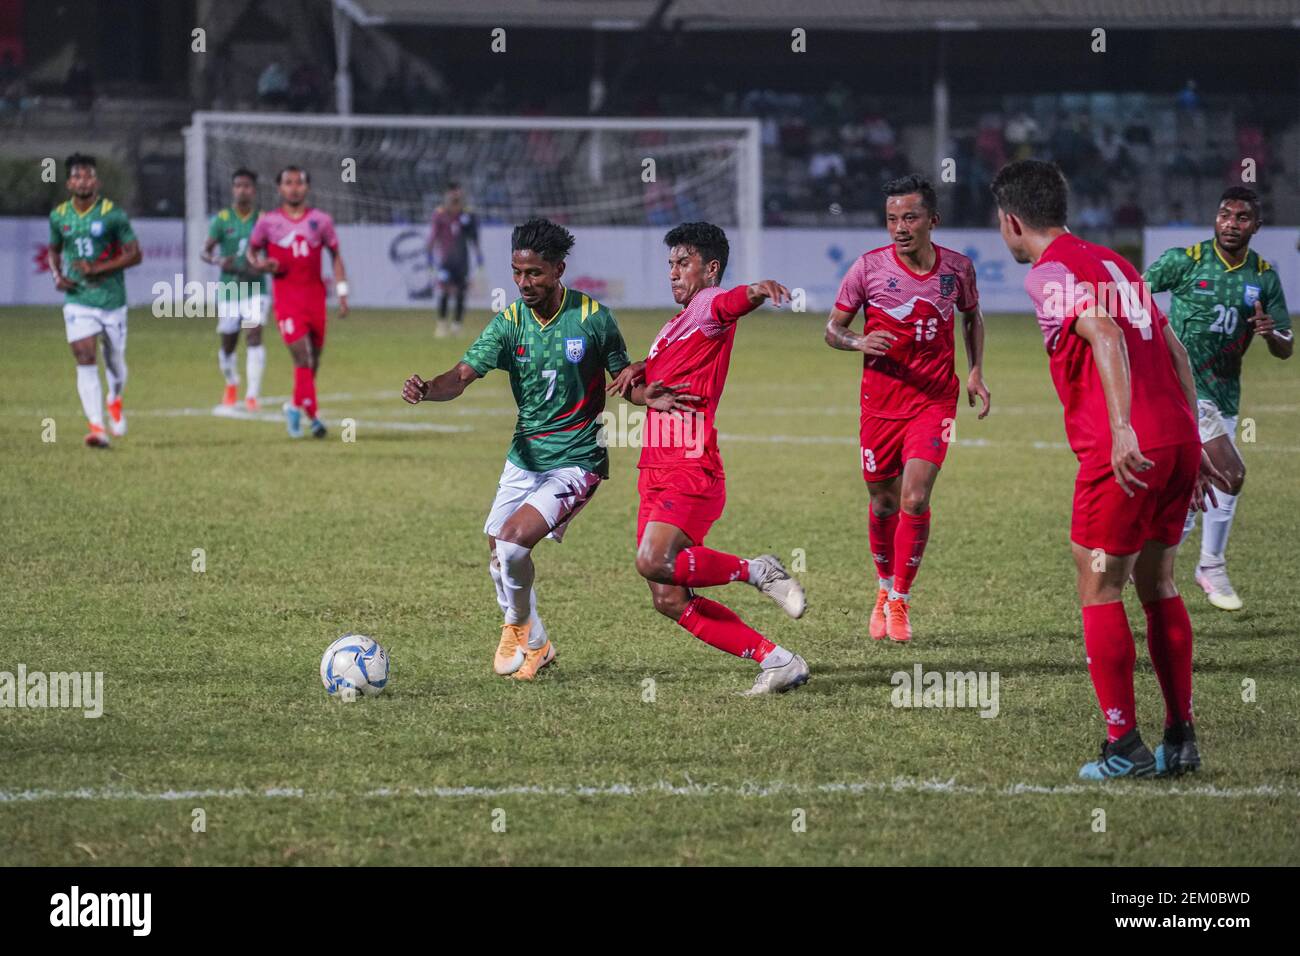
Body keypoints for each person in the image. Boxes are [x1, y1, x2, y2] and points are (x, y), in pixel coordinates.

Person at [991, 159, 1221, 779]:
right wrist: (1192, 442)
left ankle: (1124, 746)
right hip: (1173, 440)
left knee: (1099, 585)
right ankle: (1181, 738)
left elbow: (1107, 337)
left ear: (1013, 221)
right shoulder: (1115, 262)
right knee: (1160, 585)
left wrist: (1122, 429)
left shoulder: (1050, 273)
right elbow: (1174, 350)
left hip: (1125, 449)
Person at [401, 219, 639, 680]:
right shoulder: (509, 323)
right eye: (517, 273)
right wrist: (429, 387)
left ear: (558, 269)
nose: (524, 283)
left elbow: (626, 382)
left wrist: (654, 394)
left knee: (511, 545)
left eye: (534, 273)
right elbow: (462, 376)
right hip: (524, 457)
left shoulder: (592, 318)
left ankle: (515, 625)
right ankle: (538, 645)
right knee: (497, 552)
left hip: (577, 459)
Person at [611, 222, 810, 696]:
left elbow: (730, 303)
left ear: (711, 268)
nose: (674, 273)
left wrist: (758, 290)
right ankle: (778, 661)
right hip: (654, 469)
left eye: (684, 263)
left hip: (688, 465)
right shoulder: (674, 325)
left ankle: (756, 570)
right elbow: (648, 390)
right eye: (670, 265)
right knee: (666, 594)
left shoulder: (706, 306)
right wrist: (640, 378)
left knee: (653, 559)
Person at [824, 175, 989, 643]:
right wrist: (857, 340)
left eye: (910, 217)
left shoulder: (957, 269)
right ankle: (881, 589)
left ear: (932, 220)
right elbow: (832, 330)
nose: (900, 227)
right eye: (893, 218)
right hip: (880, 404)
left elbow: (972, 316)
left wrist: (975, 370)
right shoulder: (868, 268)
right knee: (883, 501)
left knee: (915, 498)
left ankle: (900, 599)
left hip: (935, 400)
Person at [1144, 186, 1292, 610]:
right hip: (1184, 390)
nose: (1231, 223)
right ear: (1216, 219)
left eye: (1242, 218)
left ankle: (1151, 564)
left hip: (1225, 397)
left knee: (1196, 492)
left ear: (1256, 226)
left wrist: (1271, 334)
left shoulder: (1263, 276)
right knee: (1231, 473)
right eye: (1225, 215)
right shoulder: (1185, 261)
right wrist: (1158, 337)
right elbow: (1133, 295)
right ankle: (1209, 564)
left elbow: (1286, 345)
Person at [46, 153, 143, 448]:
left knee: (114, 363)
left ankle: (114, 399)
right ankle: (97, 427)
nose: (82, 180)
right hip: (78, 298)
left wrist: (98, 269)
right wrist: (57, 275)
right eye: (77, 176)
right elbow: (54, 250)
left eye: (88, 175)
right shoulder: (59, 215)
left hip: (112, 299)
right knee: (84, 356)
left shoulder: (113, 214)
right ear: (68, 182)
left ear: (97, 182)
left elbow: (135, 254)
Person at [246, 166, 349, 439]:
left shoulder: (321, 221)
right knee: (302, 355)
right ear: (279, 188)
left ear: (307, 187)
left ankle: (293, 406)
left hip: (315, 300)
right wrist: (262, 265)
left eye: (299, 183)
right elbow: (251, 251)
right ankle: (313, 416)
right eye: (288, 183)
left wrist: (342, 292)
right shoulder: (268, 222)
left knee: (313, 360)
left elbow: (336, 255)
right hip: (287, 301)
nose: (294, 187)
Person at [202, 168, 269, 411]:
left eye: (247, 186)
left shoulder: (263, 220)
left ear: (254, 190)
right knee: (228, 343)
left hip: (255, 289)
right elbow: (205, 252)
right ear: (233, 189)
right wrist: (220, 261)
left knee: (254, 334)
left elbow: (272, 256)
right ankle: (231, 382)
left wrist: (261, 266)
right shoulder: (221, 219)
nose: (243, 189)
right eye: (238, 185)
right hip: (230, 290)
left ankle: (252, 394)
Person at [427, 183, 482, 338]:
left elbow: (474, 238)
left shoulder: (468, 215)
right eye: (452, 196)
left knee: (461, 293)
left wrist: (479, 258)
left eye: (458, 197)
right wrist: (429, 255)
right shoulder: (439, 214)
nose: (455, 200)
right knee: (444, 290)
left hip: (462, 262)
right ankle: (441, 325)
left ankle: (456, 326)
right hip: (445, 261)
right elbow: (433, 236)